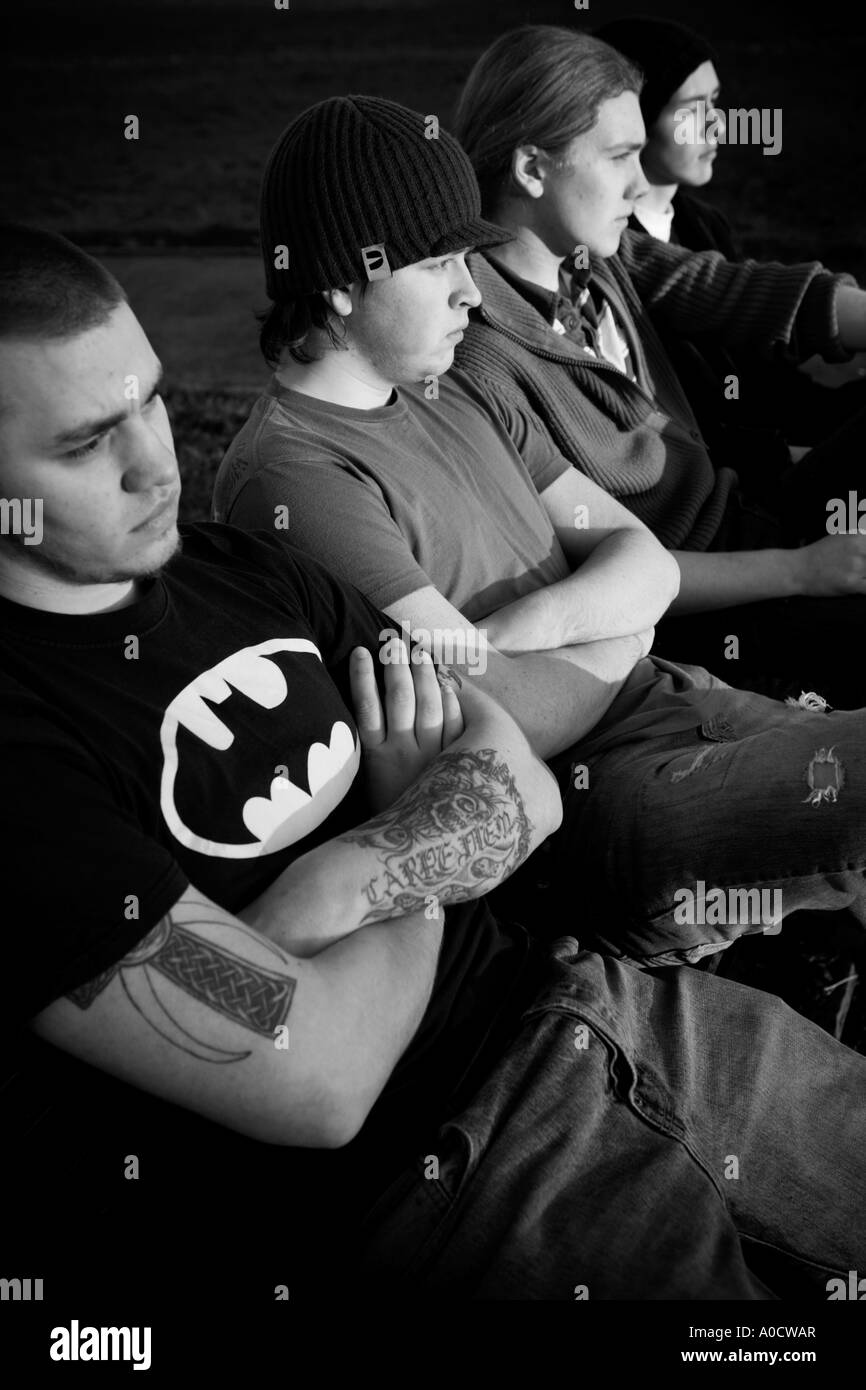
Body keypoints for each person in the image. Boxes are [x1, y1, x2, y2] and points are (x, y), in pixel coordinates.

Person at [5, 223, 866, 1302]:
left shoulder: (241, 569)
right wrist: (419, 831)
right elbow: (321, 1076)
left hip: (607, 1004)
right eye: (88, 443)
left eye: (154, 403)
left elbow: (521, 782)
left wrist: (343, 882)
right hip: (457, 1174)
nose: (154, 462)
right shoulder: (22, 759)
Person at [214, 94, 866, 977]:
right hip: (602, 809)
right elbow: (503, 718)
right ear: (339, 284)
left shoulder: (454, 387)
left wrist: (551, 628)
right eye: (438, 263)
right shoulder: (295, 478)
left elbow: (643, 558)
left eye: (467, 258)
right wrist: (622, 631)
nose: (469, 289)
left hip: (679, 701)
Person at [450, 25, 866, 707]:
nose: (642, 183)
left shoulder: (597, 255)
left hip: (756, 516)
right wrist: (804, 571)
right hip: (706, 607)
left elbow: (732, 291)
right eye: (620, 156)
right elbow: (608, 569)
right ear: (532, 169)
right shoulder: (480, 354)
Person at [593, 15, 866, 463]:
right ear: (634, 118)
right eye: (691, 108)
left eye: (715, 102)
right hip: (722, 475)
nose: (717, 125)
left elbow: (767, 380)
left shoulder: (701, 224)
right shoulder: (607, 246)